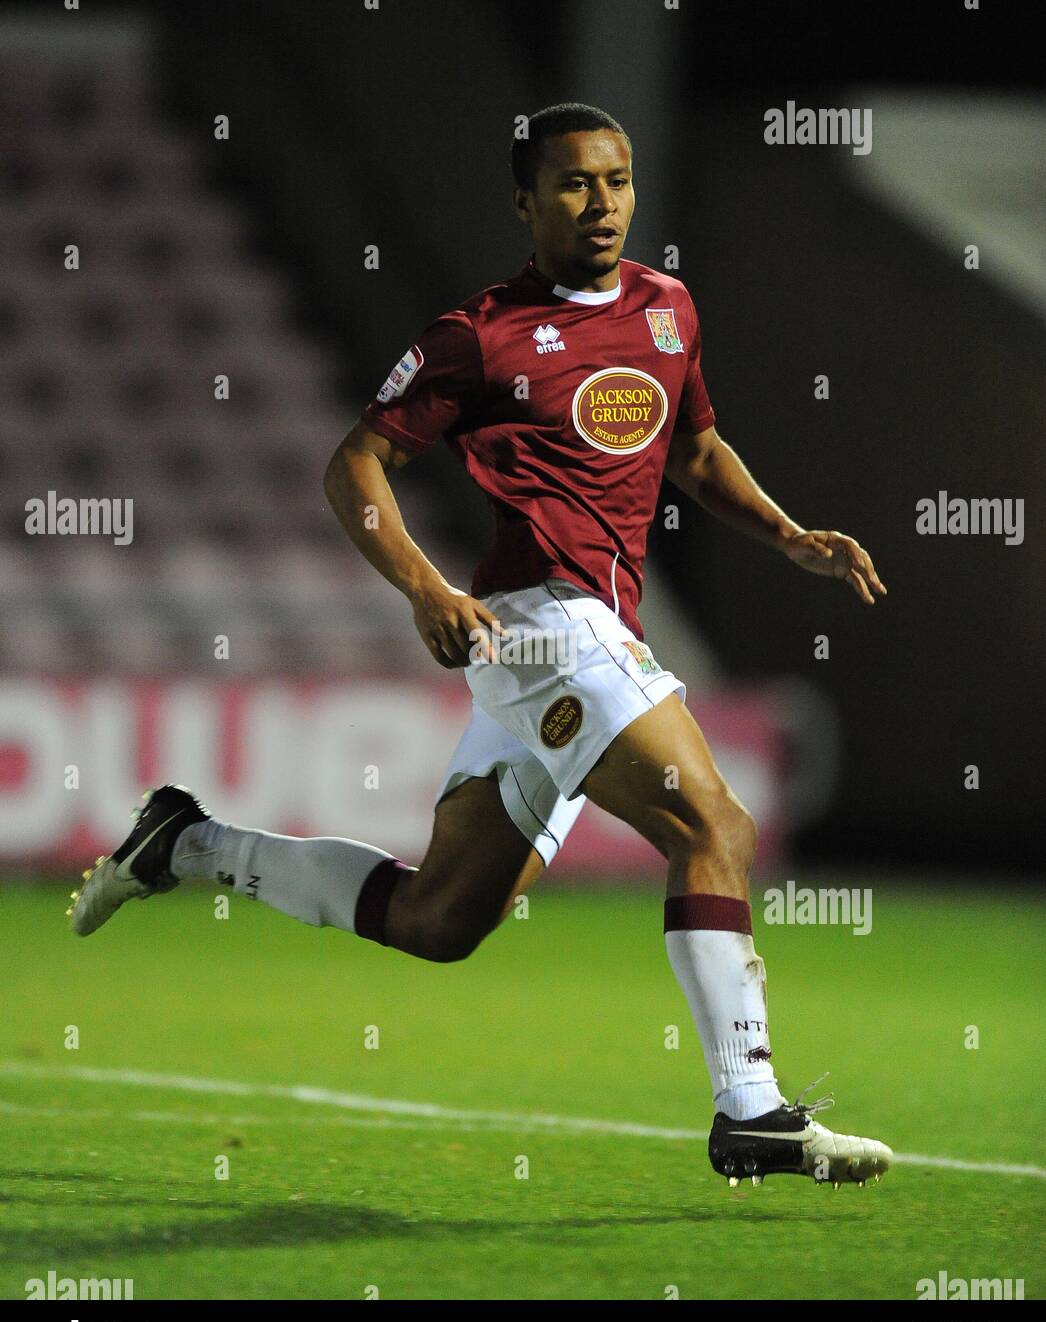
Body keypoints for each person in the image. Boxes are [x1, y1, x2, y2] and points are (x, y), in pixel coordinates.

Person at [70, 103, 891, 1188]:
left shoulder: (666, 309)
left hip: (568, 644)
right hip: (544, 624)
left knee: (438, 920)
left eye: (616, 180)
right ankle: (750, 1110)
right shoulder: (480, 336)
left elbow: (690, 447)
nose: (600, 204)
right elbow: (352, 464)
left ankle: (186, 842)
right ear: (524, 200)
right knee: (713, 821)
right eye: (571, 185)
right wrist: (422, 586)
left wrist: (786, 532)